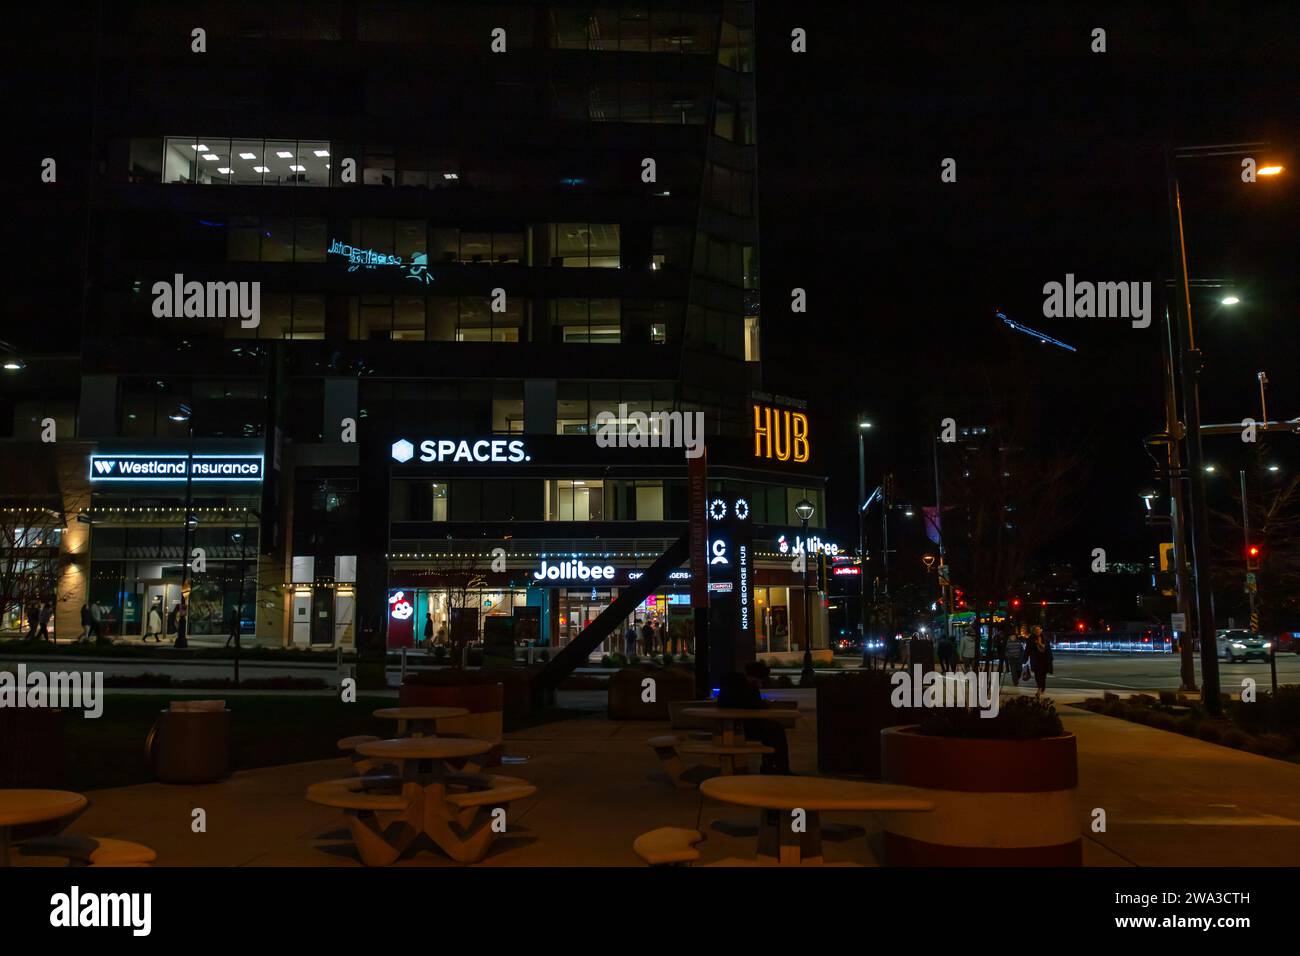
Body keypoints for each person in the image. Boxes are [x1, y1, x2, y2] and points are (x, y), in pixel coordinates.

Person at [717, 668, 791, 775]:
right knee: (776, 729)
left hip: (727, 729)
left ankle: (772, 766)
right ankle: (776, 767)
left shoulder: (724, 695)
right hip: (749, 729)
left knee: (773, 729)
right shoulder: (749, 691)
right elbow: (760, 708)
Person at [1025, 626, 1052, 698]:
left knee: (1043, 675)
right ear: (1034, 631)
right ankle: (1039, 688)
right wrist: (1025, 658)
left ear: (1041, 630)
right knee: (1037, 675)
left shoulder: (1045, 638)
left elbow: (1047, 649)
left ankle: (1041, 687)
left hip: (1044, 660)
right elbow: (1027, 649)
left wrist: (1039, 643)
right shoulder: (1031, 639)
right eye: (1036, 630)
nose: (1037, 631)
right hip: (1035, 659)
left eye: (1038, 629)